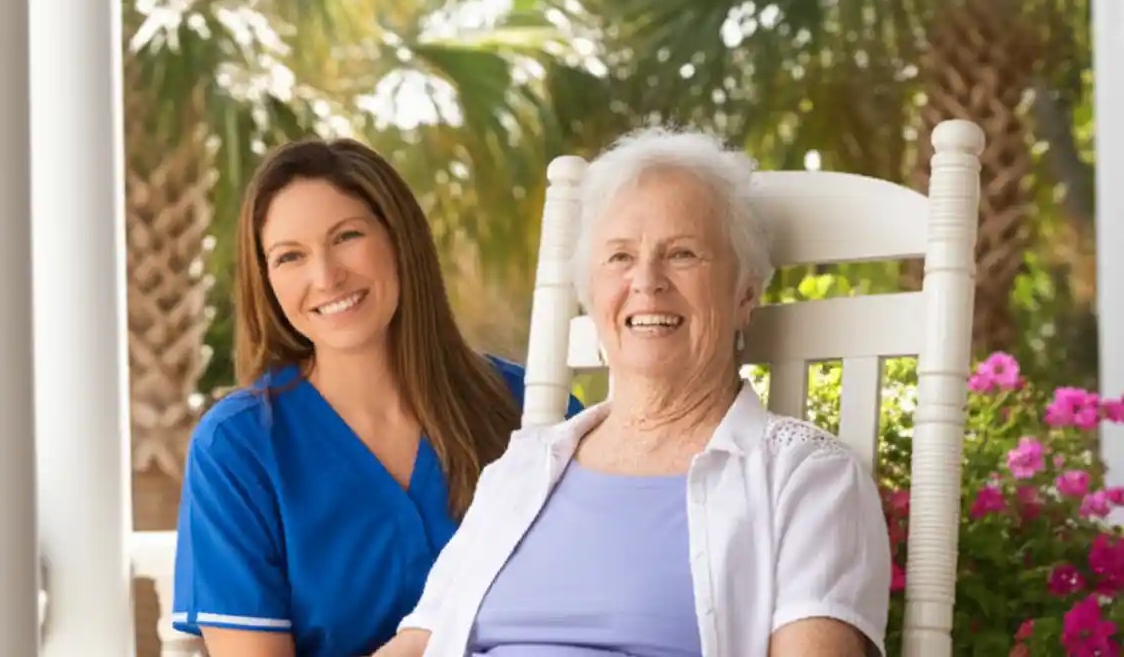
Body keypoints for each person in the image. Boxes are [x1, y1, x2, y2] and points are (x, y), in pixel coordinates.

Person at [374, 127, 892, 657]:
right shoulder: (523, 467)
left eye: (684, 253)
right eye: (619, 257)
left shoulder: (805, 478)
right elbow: (421, 640)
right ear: (591, 294)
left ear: (744, 294)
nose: (647, 281)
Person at [171, 137, 581, 657]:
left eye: (347, 237)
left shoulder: (534, 413)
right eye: (290, 256)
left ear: (399, 239)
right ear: (266, 280)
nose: (325, 276)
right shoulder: (238, 448)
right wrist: (421, 643)